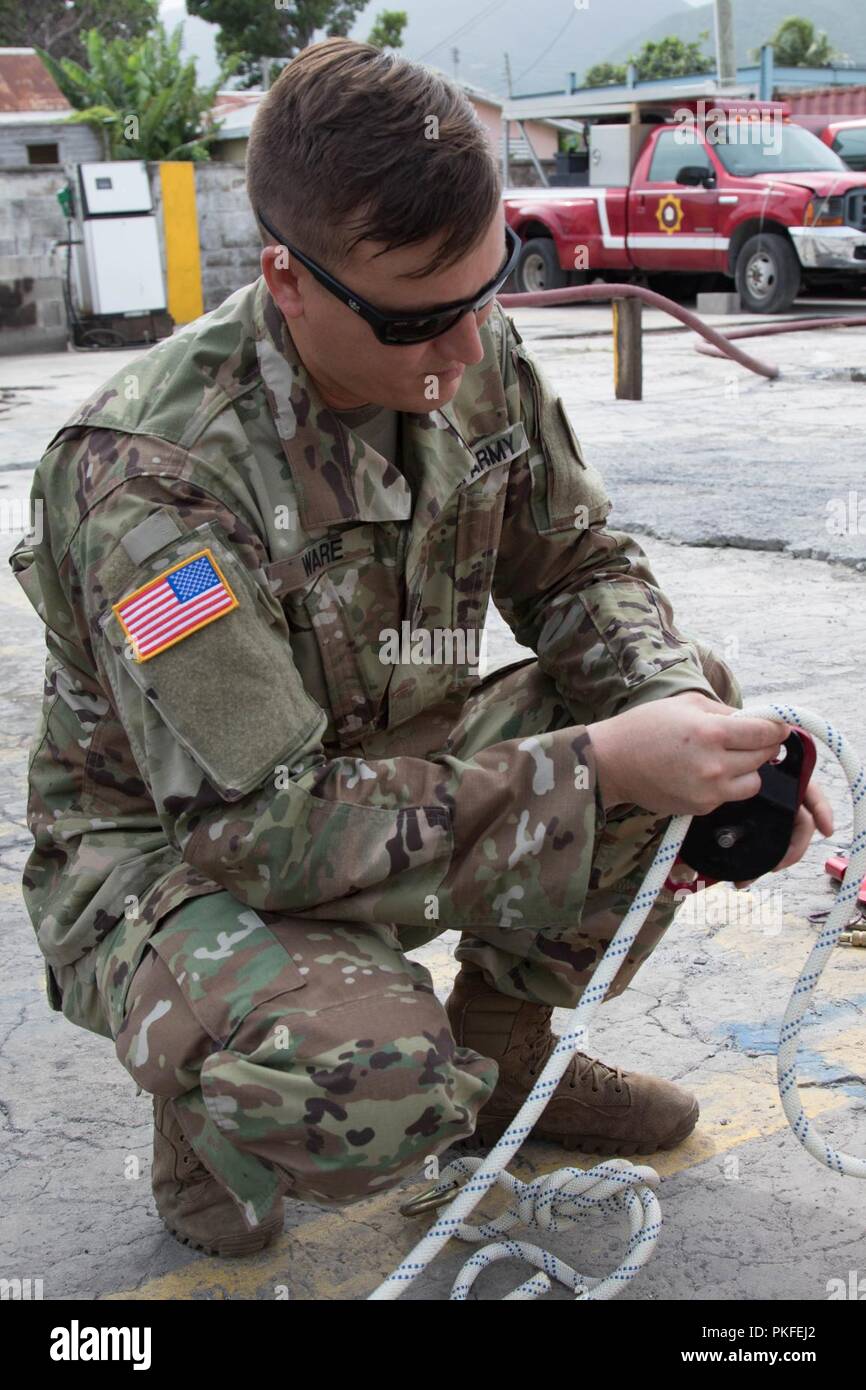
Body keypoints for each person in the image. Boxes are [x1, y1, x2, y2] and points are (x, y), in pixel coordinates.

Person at [10, 37, 832, 1259]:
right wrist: (601, 770)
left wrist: (683, 733)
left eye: (486, 287)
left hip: (390, 765)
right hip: (177, 851)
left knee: (686, 695)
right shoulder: (151, 479)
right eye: (420, 319)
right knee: (373, 1083)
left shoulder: (465, 351)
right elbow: (260, 828)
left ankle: (510, 1069)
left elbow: (576, 571)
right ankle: (208, 1086)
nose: (464, 348)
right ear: (288, 283)